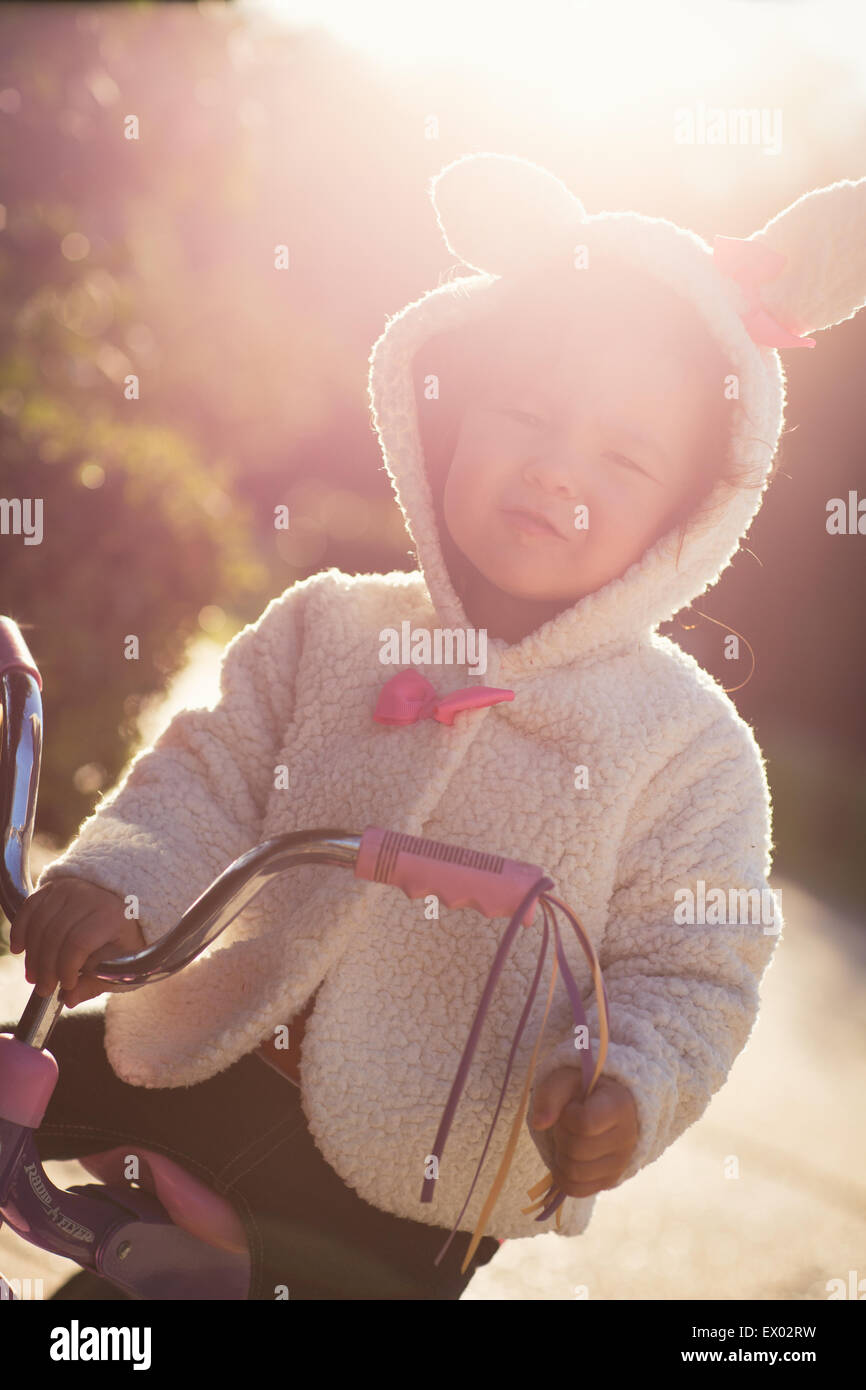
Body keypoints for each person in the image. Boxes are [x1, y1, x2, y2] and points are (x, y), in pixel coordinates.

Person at [8, 153, 865, 1300]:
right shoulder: (327, 627)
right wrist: (122, 876)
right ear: (448, 409)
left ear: (687, 515)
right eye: (525, 412)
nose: (557, 466)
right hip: (189, 1059)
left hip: (409, 1181)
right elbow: (203, 771)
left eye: (623, 457)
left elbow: (691, 968)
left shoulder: (687, 751)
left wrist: (624, 1086)